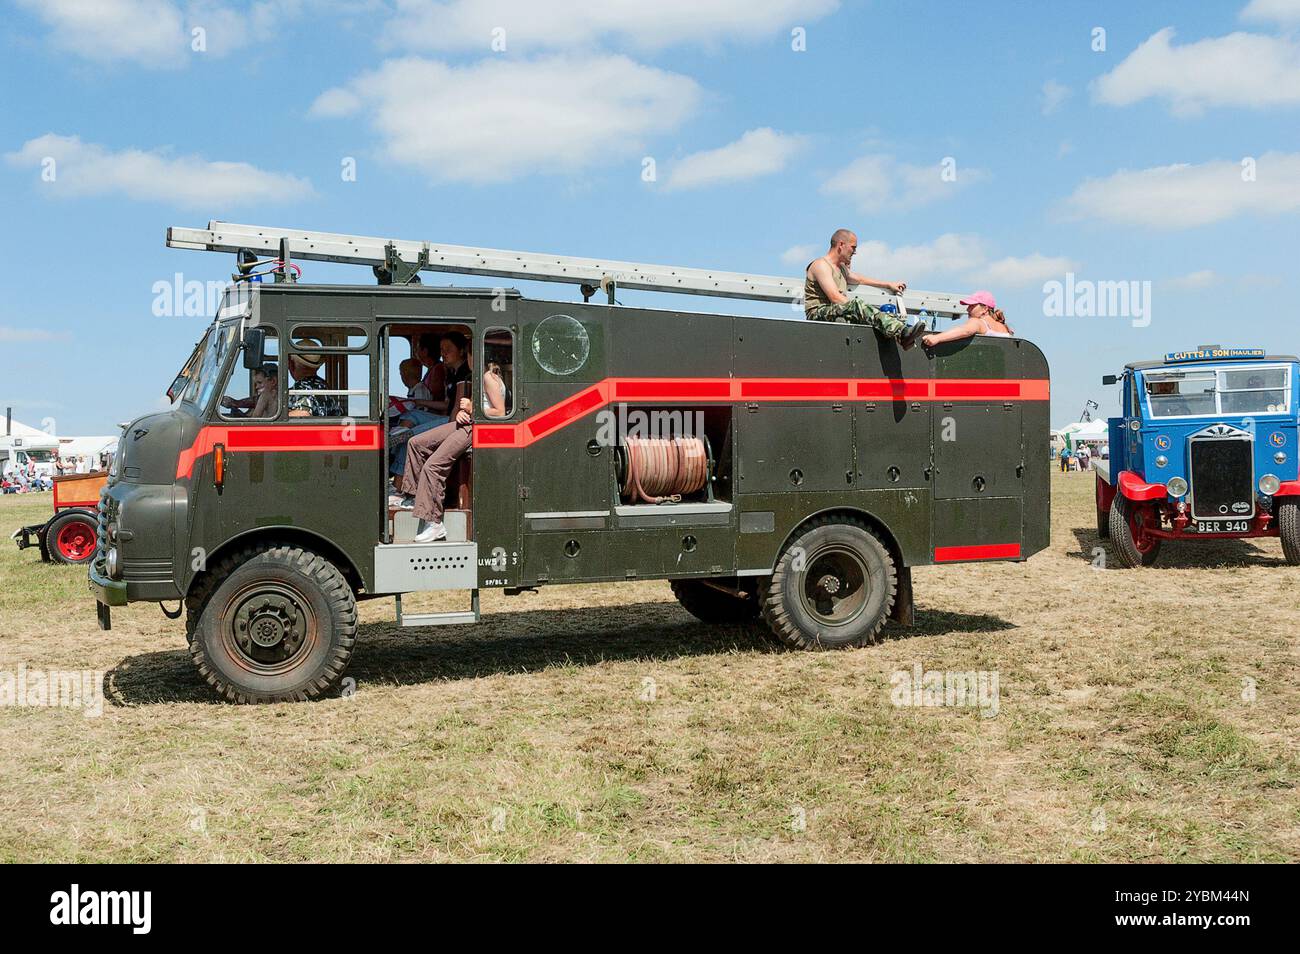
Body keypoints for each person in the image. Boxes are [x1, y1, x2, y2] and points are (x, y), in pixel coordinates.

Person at [392, 333, 474, 542]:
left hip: (461, 425)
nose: (443, 353)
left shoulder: (466, 373)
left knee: (427, 457)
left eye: (448, 349)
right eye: (441, 349)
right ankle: (411, 495)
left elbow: (457, 411)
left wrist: (464, 415)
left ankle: (434, 521)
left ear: (463, 352)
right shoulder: (454, 372)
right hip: (456, 421)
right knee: (414, 441)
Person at [803, 229, 925, 346]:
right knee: (858, 306)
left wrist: (888, 284)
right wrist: (860, 309)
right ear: (841, 245)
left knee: (869, 317)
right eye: (853, 247)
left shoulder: (841, 268)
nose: (854, 252)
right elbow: (835, 298)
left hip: (838, 311)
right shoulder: (821, 265)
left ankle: (902, 337)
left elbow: (859, 279)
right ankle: (901, 331)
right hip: (818, 313)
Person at [921, 291, 1013, 349]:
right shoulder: (1004, 328)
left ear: (985, 309)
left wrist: (936, 338)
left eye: (972, 306)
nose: (967, 309)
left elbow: (965, 331)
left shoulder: (979, 322)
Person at [286, 340, 343, 418]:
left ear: (291, 364)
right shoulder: (324, 385)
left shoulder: (301, 387)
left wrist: (278, 416)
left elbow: (304, 414)